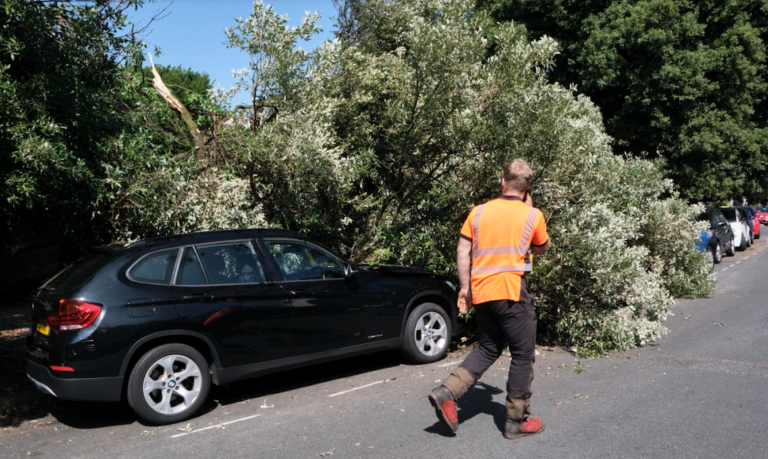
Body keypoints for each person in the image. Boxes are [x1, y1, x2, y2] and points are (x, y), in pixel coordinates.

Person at [428, 158, 551, 439]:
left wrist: (464, 288)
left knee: (489, 347)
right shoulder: (534, 215)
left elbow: (462, 251)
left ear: (503, 182)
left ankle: (447, 392)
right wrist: (529, 210)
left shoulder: (479, 212)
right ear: (528, 187)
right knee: (522, 354)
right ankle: (516, 421)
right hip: (511, 292)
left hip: (482, 291)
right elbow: (542, 249)